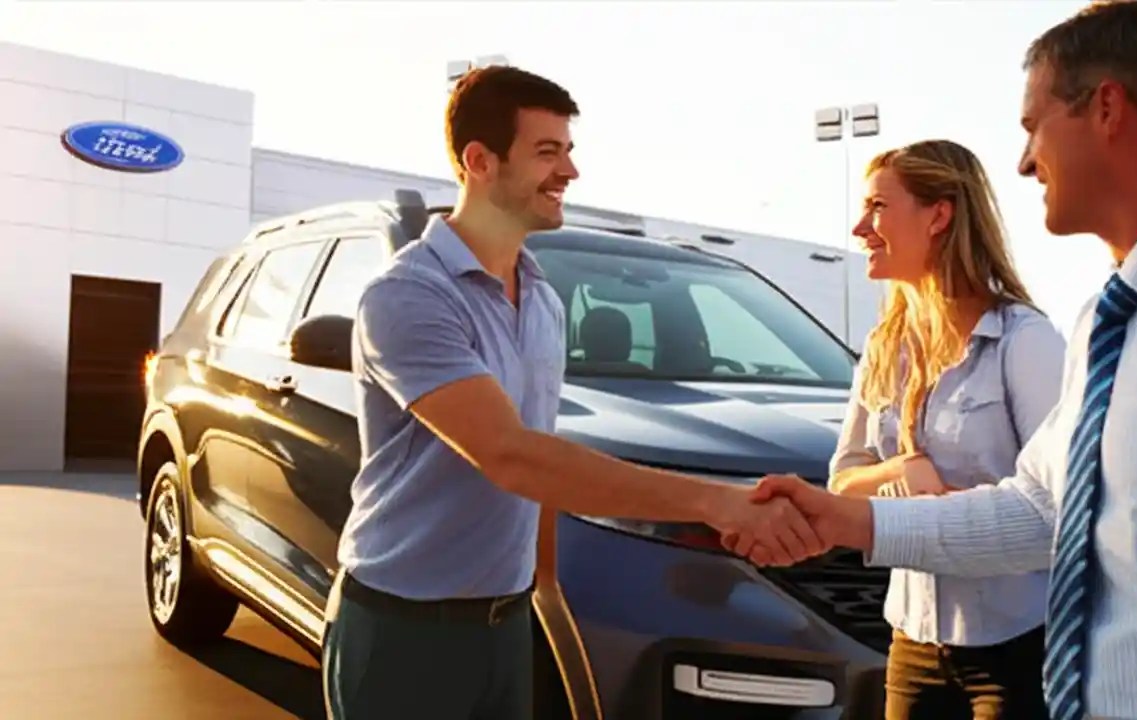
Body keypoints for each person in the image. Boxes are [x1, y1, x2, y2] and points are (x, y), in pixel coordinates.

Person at [743, 2, 1137, 719]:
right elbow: (1040, 508)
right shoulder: (1105, 320)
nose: (1025, 162)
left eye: (1033, 126)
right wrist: (849, 521)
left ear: (1108, 109)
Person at [321, 65, 828, 720]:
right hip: (404, 633)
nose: (570, 171)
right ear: (479, 161)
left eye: (568, 150)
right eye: (547, 152)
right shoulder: (410, 296)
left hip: (503, 630)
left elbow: (541, 456)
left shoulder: (543, 300)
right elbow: (511, 456)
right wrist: (717, 503)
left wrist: (541, 598)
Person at [829, 139, 1064, 719]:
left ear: (940, 214)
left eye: (878, 206)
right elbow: (842, 484)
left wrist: (942, 505)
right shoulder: (885, 349)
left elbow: (1063, 508)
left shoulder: (1026, 342)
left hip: (1019, 651)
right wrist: (901, 473)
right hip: (912, 646)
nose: (861, 227)